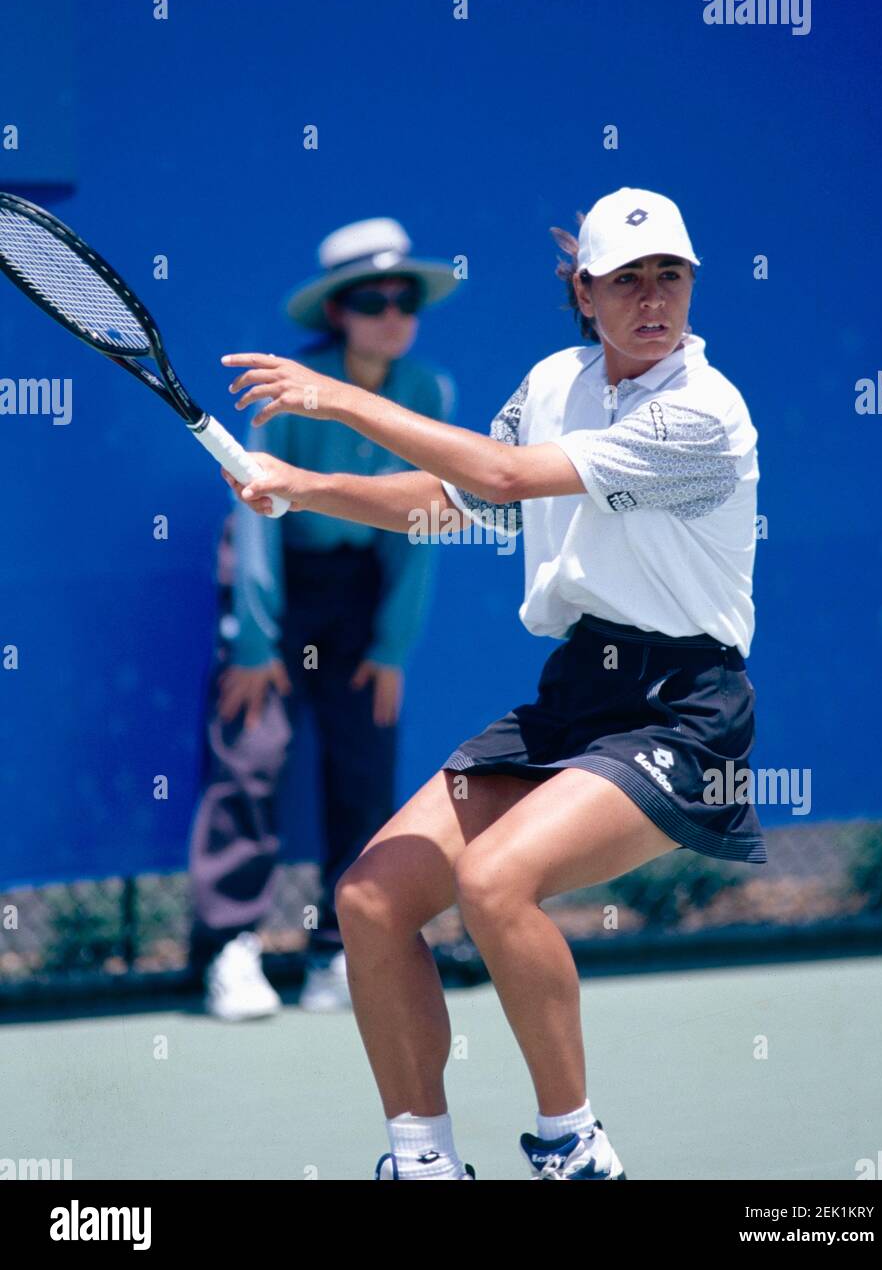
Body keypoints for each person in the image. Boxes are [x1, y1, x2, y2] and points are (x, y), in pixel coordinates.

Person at [219, 187, 765, 1179]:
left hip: (684, 713)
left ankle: (573, 1143)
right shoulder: (558, 381)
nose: (654, 298)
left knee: (495, 880)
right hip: (576, 695)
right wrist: (310, 487)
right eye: (628, 279)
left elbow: (508, 479)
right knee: (373, 899)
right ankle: (422, 1159)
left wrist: (336, 398)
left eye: (671, 276)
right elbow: (462, 498)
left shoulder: (704, 412)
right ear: (584, 293)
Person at [187, 217, 459, 1021]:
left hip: (362, 593)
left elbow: (428, 523)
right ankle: (229, 950)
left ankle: (338, 953)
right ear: (338, 311)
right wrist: (257, 640)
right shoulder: (286, 388)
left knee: (365, 765)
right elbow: (257, 518)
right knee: (251, 753)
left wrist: (391, 646)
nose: (392, 313)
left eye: (404, 297)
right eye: (371, 299)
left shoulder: (430, 392)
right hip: (276, 584)